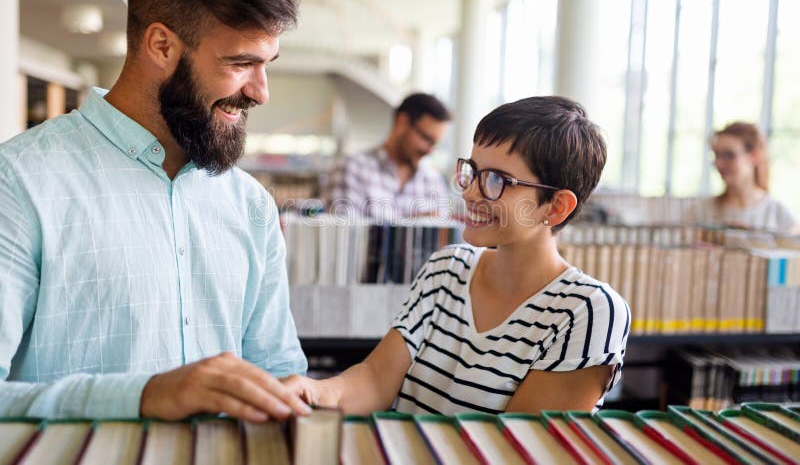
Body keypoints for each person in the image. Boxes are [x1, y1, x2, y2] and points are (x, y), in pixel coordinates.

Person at [0, 0, 312, 422]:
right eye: (240, 63)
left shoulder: (250, 205)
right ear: (162, 45)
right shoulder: (18, 184)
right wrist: (142, 396)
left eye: (267, 64)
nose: (261, 92)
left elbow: (277, 374)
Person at [286, 96, 630, 415]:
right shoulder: (447, 267)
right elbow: (376, 379)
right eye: (472, 171)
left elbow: (520, 447)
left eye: (497, 180)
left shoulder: (586, 312)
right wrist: (312, 392)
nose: (468, 192)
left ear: (556, 207)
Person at [322, 93, 452, 221]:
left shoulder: (434, 181)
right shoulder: (351, 168)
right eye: (426, 138)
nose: (430, 150)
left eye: (435, 144)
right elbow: (345, 234)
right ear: (402, 121)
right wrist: (412, 226)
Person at [686, 121, 798, 233]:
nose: (718, 163)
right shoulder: (699, 211)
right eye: (716, 155)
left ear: (754, 156)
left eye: (728, 155)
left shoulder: (780, 216)